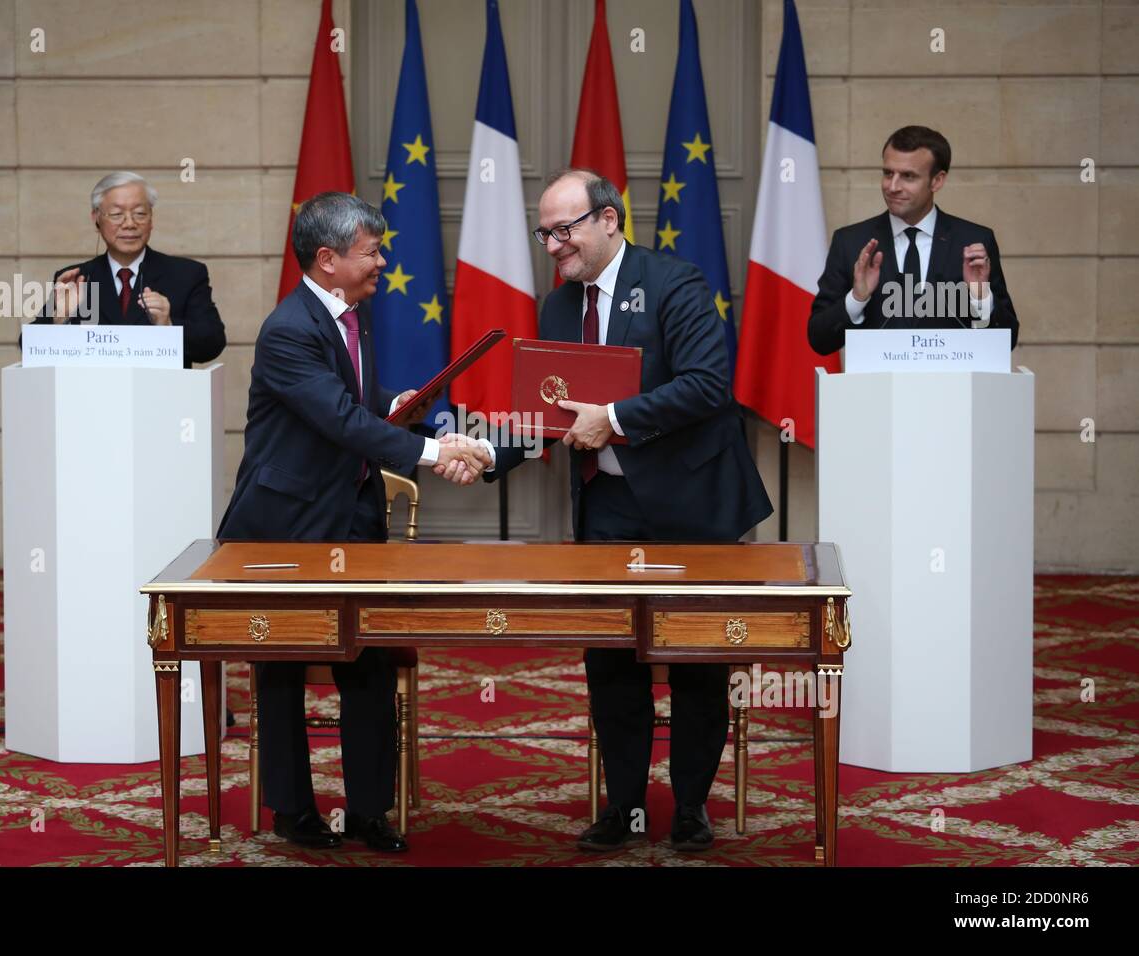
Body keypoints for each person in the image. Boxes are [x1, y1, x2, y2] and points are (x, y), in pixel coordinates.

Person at [480, 169, 772, 853]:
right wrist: (489, 454)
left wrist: (611, 418)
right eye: (544, 232)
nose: (552, 245)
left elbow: (707, 385)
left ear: (608, 220)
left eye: (564, 229)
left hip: (691, 504)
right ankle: (626, 807)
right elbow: (548, 416)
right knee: (612, 659)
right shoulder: (558, 307)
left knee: (697, 663)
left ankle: (693, 807)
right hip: (608, 506)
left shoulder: (676, 283)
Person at [218, 191, 490, 853]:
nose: (382, 262)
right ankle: (292, 812)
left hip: (351, 523)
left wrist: (396, 408)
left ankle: (370, 811)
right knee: (281, 672)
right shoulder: (288, 330)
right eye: (371, 252)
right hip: (285, 529)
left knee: (367, 669)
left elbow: (355, 407)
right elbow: (338, 421)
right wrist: (433, 451)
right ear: (328, 258)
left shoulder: (349, 316)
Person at [808, 125, 1018, 355]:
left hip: (950, 388)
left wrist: (981, 297)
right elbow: (819, 340)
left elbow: (1006, 341)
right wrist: (857, 298)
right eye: (888, 173)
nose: (893, 186)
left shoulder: (973, 242)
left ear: (937, 181)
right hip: (875, 389)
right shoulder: (850, 242)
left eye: (908, 176)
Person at [31, 171, 226, 367]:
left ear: (151, 219)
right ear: (96, 218)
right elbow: (29, 346)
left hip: (162, 394)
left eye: (140, 213)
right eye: (116, 214)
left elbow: (213, 342)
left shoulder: (186, 274)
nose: (130, 224)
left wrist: (168, 326)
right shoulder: (77, 278)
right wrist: (59, 321)